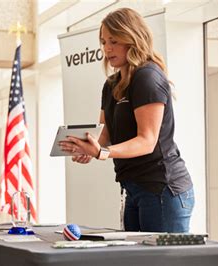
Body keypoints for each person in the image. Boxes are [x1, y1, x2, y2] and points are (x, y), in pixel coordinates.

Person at [59, 8, 194, 233]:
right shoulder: (111, 84)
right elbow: (105, 134)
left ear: (132, 38)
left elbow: (147, 140)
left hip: (162, 189)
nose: (107, 48)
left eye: (114, 40)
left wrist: (103, 152)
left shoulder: (147, 76)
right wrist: (88, 148)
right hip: (133, 188)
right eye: (103, 42)